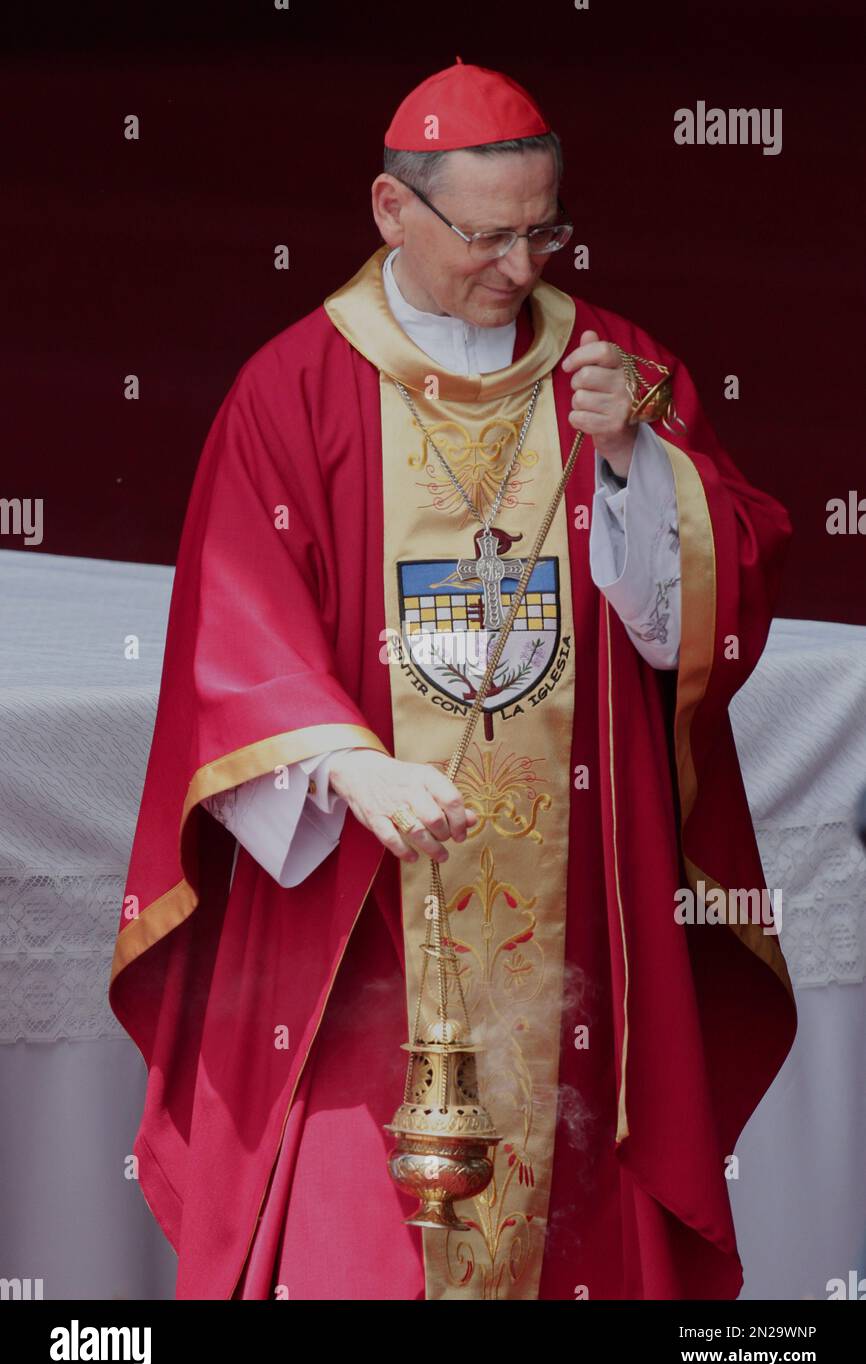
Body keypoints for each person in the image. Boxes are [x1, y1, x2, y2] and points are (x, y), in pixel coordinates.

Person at [109, 59, 797, 1301]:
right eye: (487, 235)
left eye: (545, 230)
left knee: (579, 1192)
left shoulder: (617, 366)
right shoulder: (294, 387)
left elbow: (712, 611)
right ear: (390, 209)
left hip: (578, 878)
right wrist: (346, 761)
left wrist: (633, 459)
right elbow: (232, 629)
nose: (522, 267)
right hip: (365, 908)